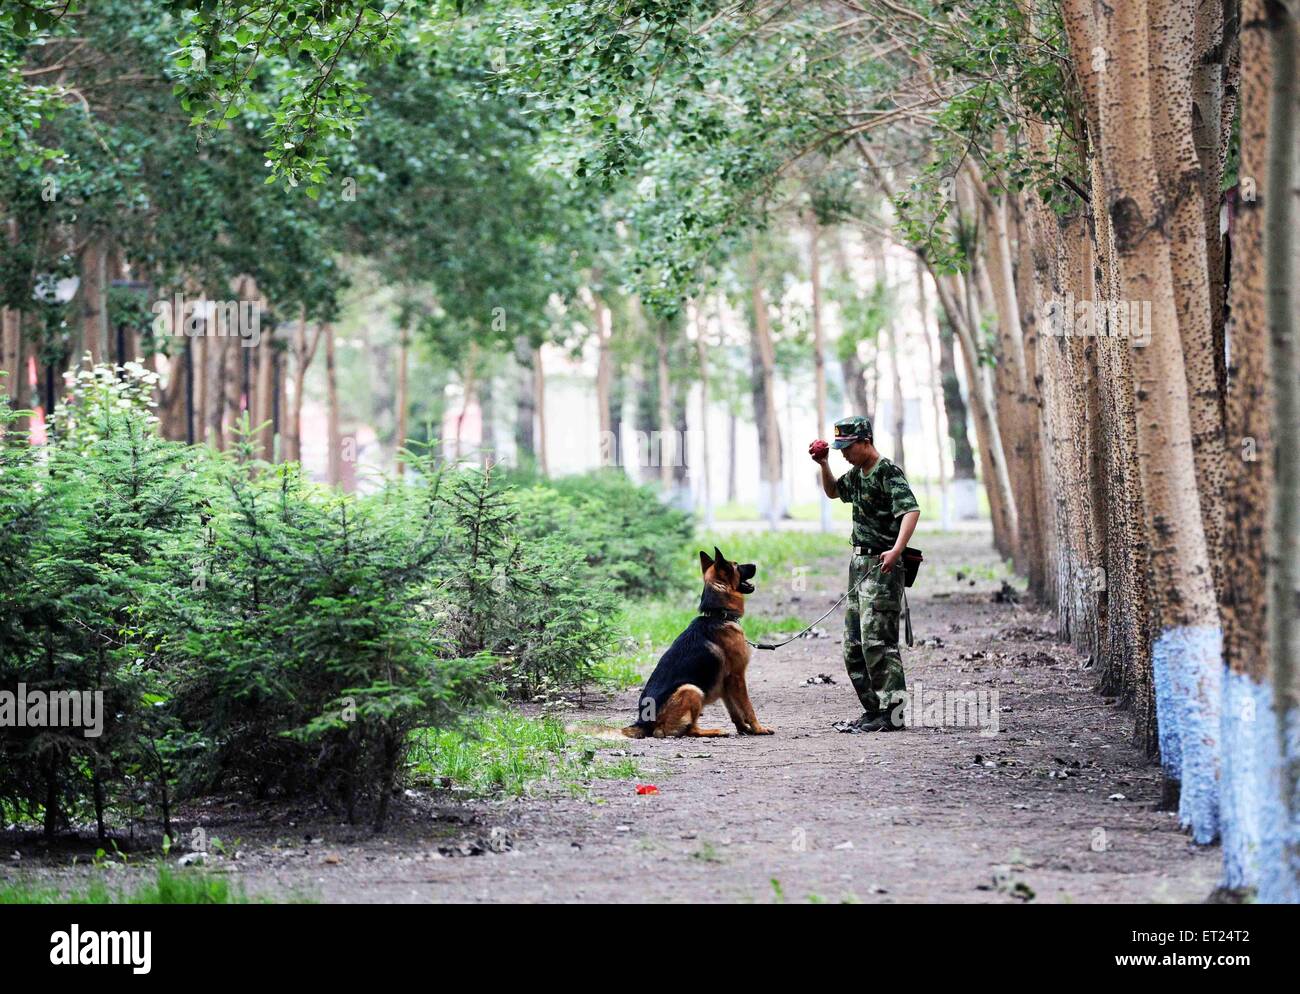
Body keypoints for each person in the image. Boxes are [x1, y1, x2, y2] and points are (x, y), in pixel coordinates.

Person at [809, 416, 920, 732]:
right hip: (858, 565)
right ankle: (874, 710)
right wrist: (824, 464)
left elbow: (911, 510)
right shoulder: (857, 475)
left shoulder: (888, 472)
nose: (844, 453)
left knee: (878, 641)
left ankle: (893, 713)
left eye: (847, 447)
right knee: (854, 644)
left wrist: (897, 550)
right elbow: (833, 492)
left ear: (865, 441)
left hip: (882, 565)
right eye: (839, 448)